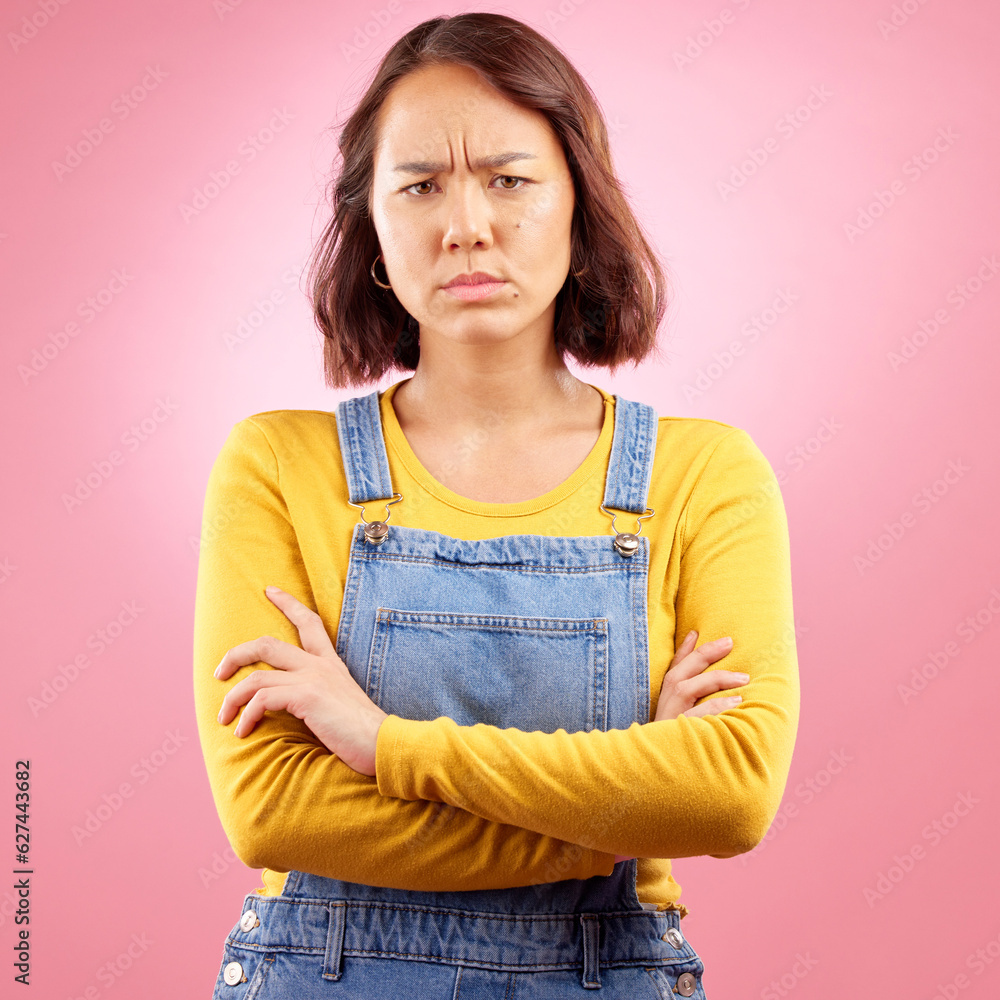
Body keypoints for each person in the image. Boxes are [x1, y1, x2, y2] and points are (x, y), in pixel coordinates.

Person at [193, 12, 799, 999]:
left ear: (577, 205)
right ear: (374, 228)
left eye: (509, 178)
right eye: (421, 184)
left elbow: (729, 795)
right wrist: (623, 804)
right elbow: (271, 809)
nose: (466, 223)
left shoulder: (706, 476)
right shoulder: (276, 464)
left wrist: (380, 743)